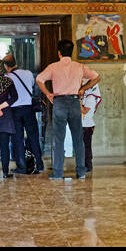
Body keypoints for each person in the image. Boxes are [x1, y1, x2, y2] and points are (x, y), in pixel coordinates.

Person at [37, 39, 100, 180]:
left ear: (59, 53)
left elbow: (39, 79)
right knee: (78, 139)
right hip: (74, 102)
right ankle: (81, 172)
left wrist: (48, 93)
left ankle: (58, 173)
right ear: (72, 52)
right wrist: (83, 88)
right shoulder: (79, 66)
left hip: (59, 102)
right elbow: (96, 77)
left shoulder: (53, 67)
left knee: (59, 139)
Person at [3, 54, 43, 175]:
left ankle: (22, 166)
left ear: (5, 66)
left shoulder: (6, 77)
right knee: (33, 136)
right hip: (28, 109)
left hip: (14, 111)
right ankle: (39, 165)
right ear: (16, 62)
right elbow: (31, 86)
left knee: (17, 139)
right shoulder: (28, 73)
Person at [80, 83, 101, 172]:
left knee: (86, 147)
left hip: (87, 126)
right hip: (85, 125)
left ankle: (88, 166)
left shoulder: (91, 98)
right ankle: (87, 165)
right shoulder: (88, 96)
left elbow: (85, 110)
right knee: (85, 146)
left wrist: (76, 102)